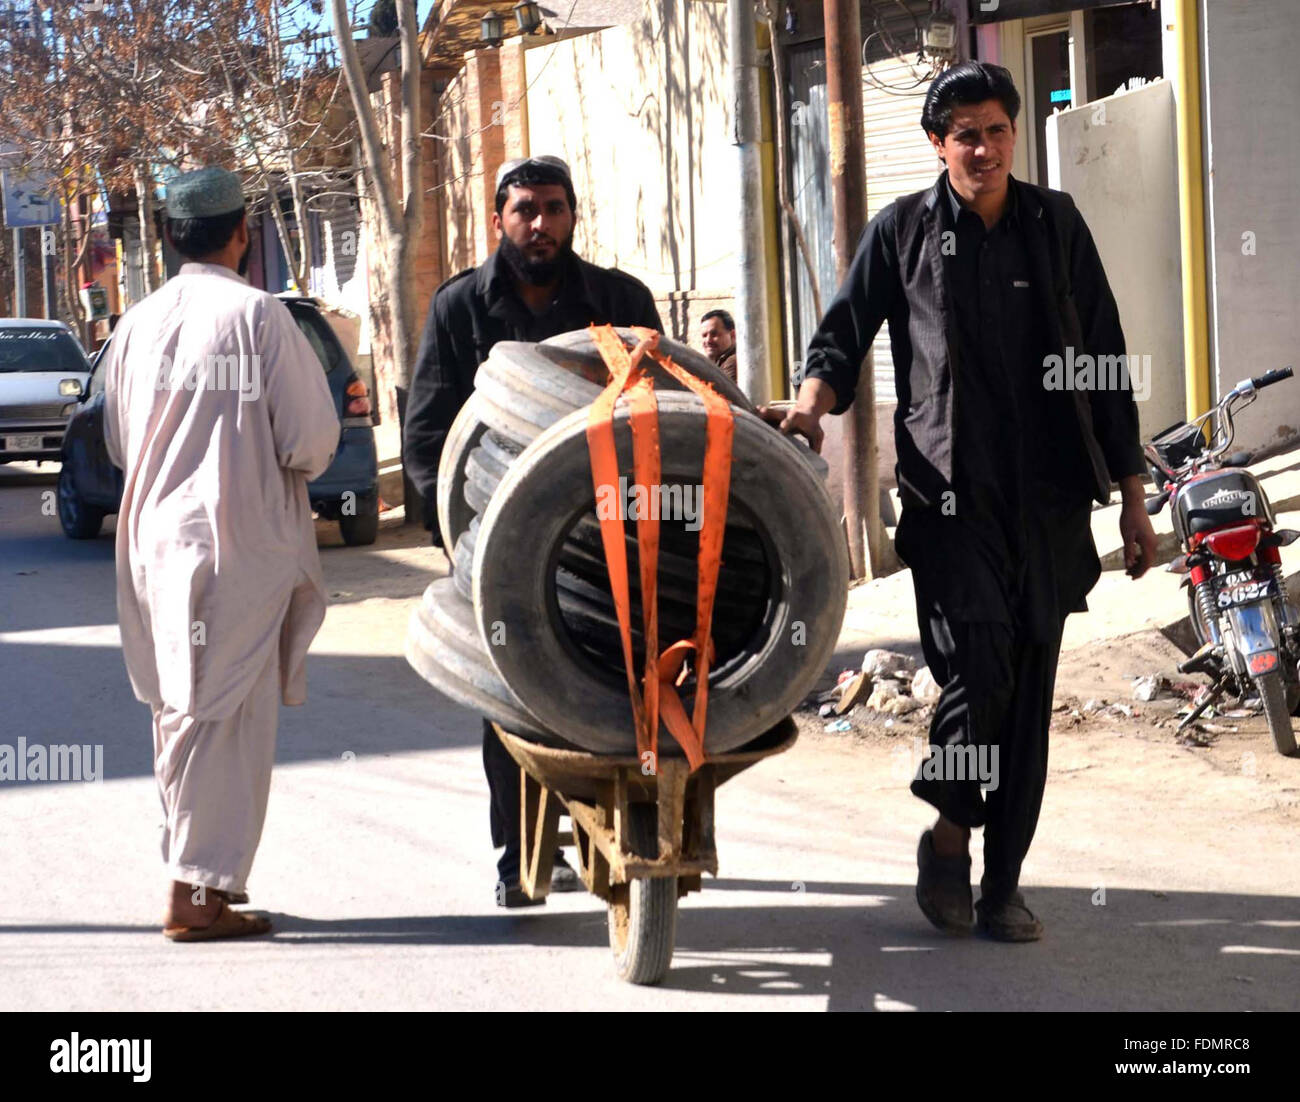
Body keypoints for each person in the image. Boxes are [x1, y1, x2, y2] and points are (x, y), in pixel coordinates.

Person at [763, 62, 1157, 942]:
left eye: (997, 130)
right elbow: (843, 335)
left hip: (1051, 501)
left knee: (1027, 697)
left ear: (1015, 135)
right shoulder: (902, 231)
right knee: (977, 677)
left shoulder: (1055, 226)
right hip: (949, 504)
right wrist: (809, 406)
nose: (984, 148)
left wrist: (1134, 498)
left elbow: (1103, 357)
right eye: (966, 134)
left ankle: (1000, 883)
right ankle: (949, 834)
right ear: (937, 144)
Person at [403, 154, 663, 907]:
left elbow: (664, 409)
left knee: (615, 686)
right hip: (500, 539)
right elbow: (427, 434)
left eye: (553, 208)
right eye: (525, 210)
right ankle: (520, 852)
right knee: (511, 697)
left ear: (573, 216)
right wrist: (454, 535)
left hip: (609, 533)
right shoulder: (459, 310)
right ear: (498, 220)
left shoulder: (619, 301)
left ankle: (629, 836)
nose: (540, 224)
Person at [103, 166, 340, 941]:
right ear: (240, 233)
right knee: (223, 719)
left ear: (170, 237)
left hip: (156, 544)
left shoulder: (136, 322)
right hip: (232, 546)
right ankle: (193, 896)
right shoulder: (258, 315)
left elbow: (116, 441)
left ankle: (201, 874)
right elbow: (309, 439)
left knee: (183, 715)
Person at [700, 308, 737, 382]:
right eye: (704, 335)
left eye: (714, 334)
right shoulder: (718, 362)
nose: (708, 340)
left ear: (732, 335)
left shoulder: (732, 363)